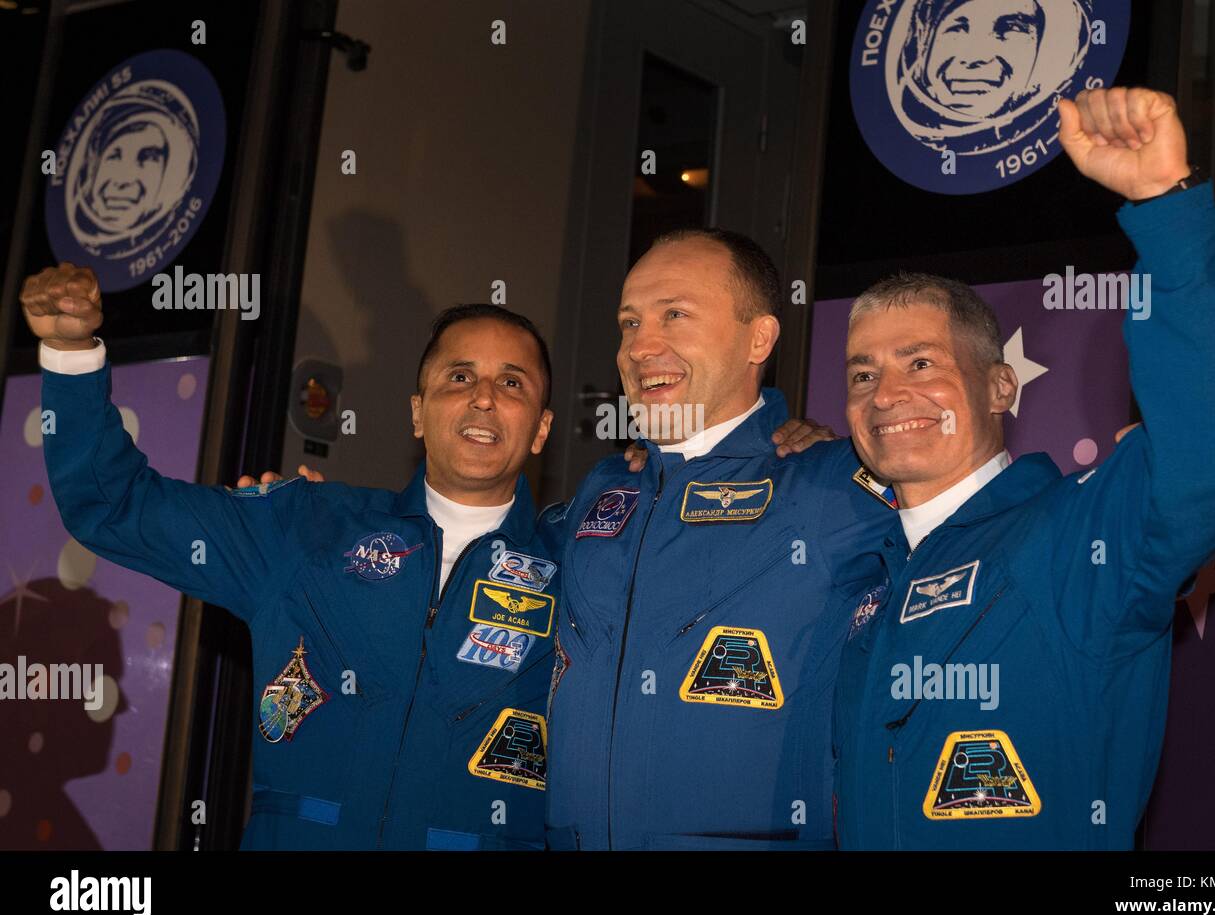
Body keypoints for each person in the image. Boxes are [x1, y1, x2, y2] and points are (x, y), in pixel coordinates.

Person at [832, 86, 1215, 849]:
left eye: (921, 362)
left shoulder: (1077, 537)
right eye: (861, 374)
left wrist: (1164, 209)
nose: (889, 395)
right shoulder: (862, 583)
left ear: (1000, 384)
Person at [24, 277, 564, 850]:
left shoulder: (584, 568)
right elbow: (116, 505)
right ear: (417, 412)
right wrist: (72, 354)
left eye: (511, 382)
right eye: (460, 376)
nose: (483, 397)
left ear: (542, 429)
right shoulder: (307, 527)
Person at [543, 229, 897, 850]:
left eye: (674, 315)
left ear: (758, 337)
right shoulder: (603, 487)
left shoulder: (833, 485)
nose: (640, 346)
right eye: (629, 323)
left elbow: (990, 532)